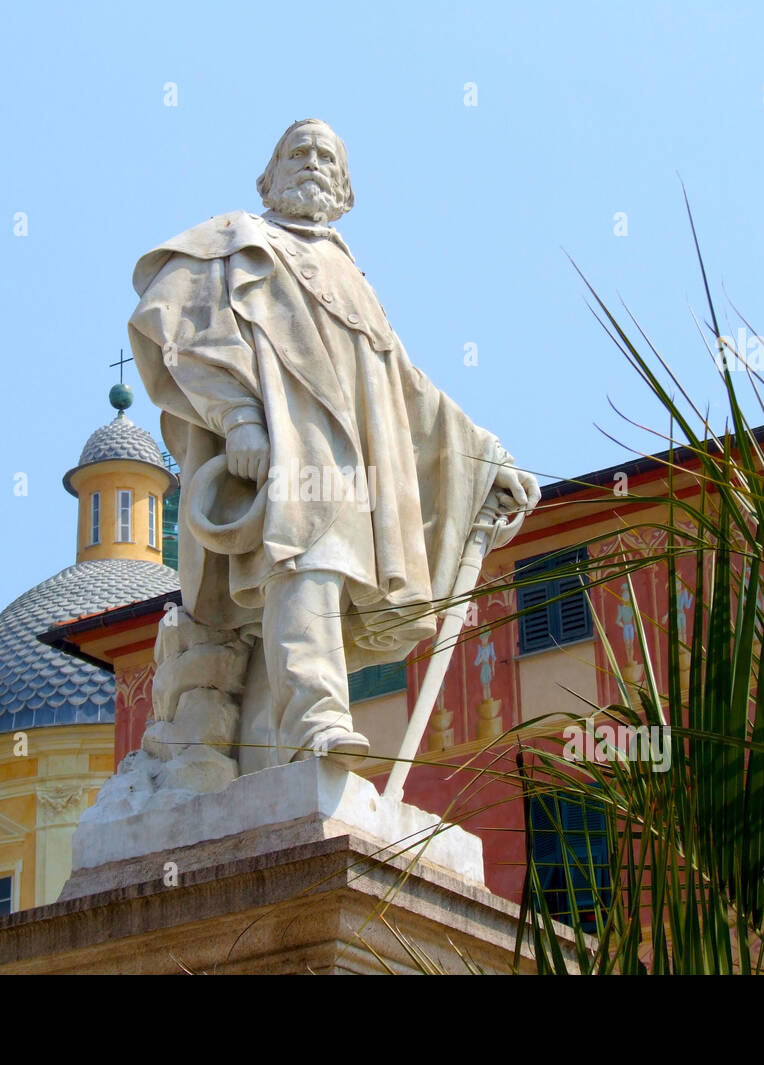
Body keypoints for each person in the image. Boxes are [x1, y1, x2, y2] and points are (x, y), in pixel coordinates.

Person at [129, 119, 539, 775]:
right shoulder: (237, 239)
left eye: (326, 156)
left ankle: (268, 743)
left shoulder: (355, 280)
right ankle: (316, 722)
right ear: (269, 175)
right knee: (305, 564)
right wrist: (238, 418)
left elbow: (406, 388)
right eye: (298, 152)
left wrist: (484, 456)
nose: (312, 163)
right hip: (287, 446)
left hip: (353, 463)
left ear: (344, 186)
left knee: (323, 581)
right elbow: (180, 324)